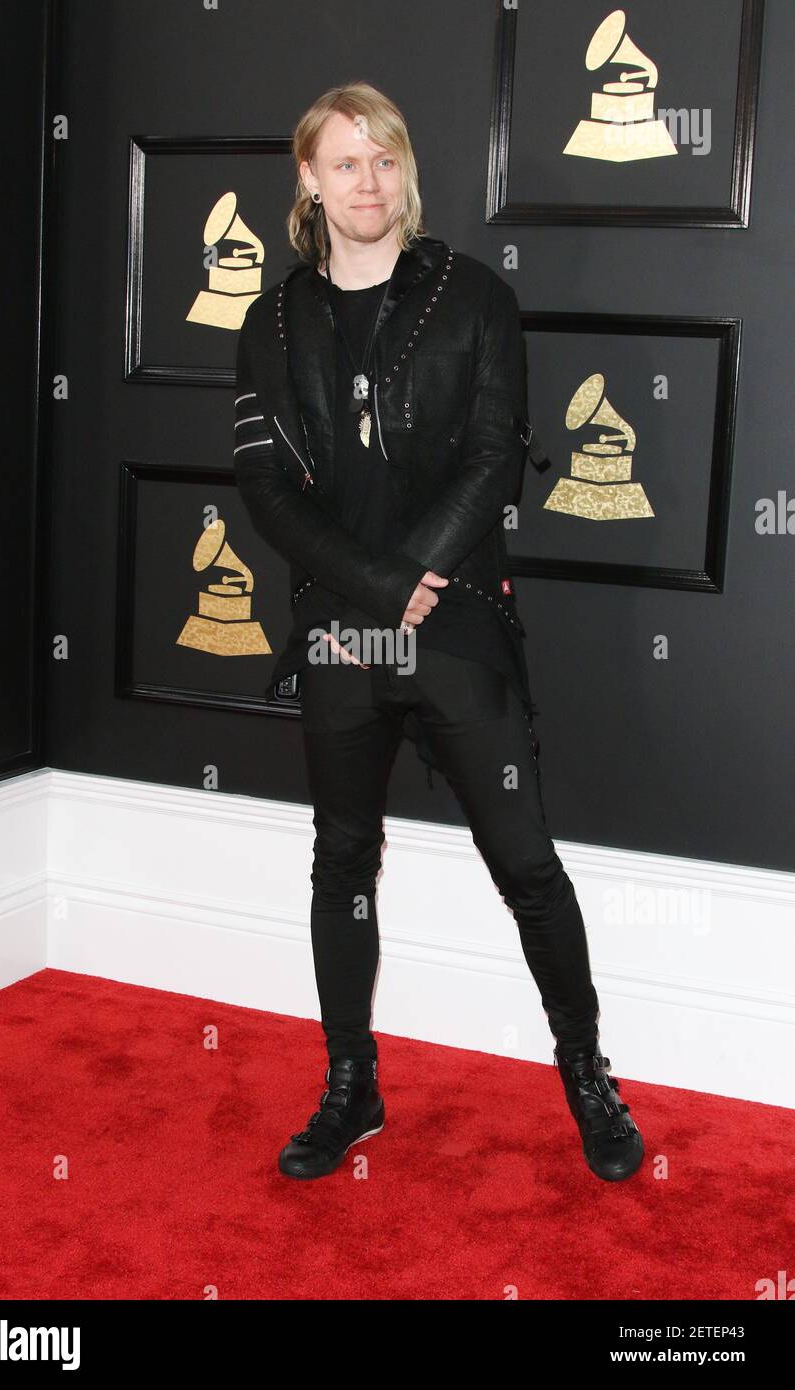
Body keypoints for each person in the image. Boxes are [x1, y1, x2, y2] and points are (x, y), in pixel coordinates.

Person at [233, 82, 643, 1183]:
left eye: (384, 161)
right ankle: (350, 1082)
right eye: (343, 163)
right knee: (341, 863)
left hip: (454, 621)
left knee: (524, 864)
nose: (367, 183)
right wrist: (375, 588)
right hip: (343, 634)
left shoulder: (473, 298)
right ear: (308, 182)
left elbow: (493, 455)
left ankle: (586, 1073)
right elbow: (265, 492)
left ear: (404, 174)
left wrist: (413, 581)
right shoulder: (268, 322)